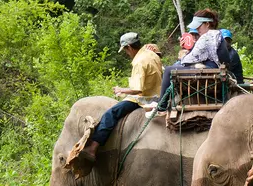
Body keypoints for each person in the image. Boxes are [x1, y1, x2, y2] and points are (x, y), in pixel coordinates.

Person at [75, 32, 163, 163]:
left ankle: (93, 148)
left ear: (129, 47)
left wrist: (121, 90)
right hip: (157, 93)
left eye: (126, 50)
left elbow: (138, 89)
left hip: (145, 98)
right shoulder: (151, 53)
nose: (127, 53)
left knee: (110, 114)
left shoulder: (139, 62)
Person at [148, 9, 223, 117]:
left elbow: (187, 60)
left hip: (208, 70)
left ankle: (161, 107)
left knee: (169, 70)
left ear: (207, 24)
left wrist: (180, 60)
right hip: (212, 68)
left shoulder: (207, 37)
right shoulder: (217, 34)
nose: (197, 30)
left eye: (198, 26)